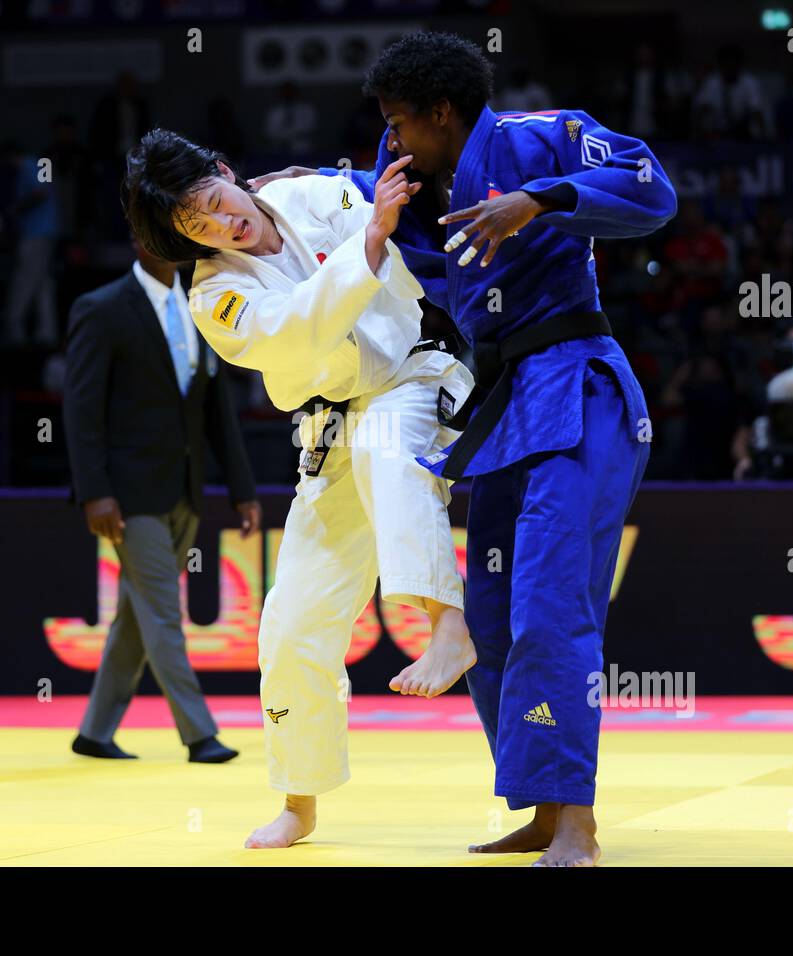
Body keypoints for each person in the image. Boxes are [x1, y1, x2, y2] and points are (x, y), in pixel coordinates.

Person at [256, 31, 676, 865]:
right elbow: (349, 196)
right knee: (488, 618)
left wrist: (543, 200)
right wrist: (283, 186)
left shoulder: (535, 139)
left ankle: (579, 821)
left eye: (401, 123)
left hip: (577, 384)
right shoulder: (406, 182)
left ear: (441, 114)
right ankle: (542, 807)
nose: (391, 137)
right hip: (501, 404)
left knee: (552, 605)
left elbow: (649, 186)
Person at [124, 128, 476, 849]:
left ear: (227, 173)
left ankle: (447, 623)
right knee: (288, 629)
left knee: (385, 445)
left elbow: (399, 245)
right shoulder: (214, 295)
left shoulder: (308, 194)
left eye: (214, 200)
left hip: (412, 380)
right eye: (197, 225)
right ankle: (299, 802)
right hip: (328, 436)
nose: (223, 222)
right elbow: (294, 334)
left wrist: (375, 227)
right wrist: (368, 241)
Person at [63, 233, 259, 764]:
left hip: (185, 488)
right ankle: (199, 734)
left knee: (138, 610)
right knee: (162, 609)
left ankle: (95, 732)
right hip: (128, 496)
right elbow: (81, 412)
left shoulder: (201, 306)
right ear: (135, 241)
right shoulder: (100, 309)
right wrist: (94, 492)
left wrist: (242, 491)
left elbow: (218, 410)